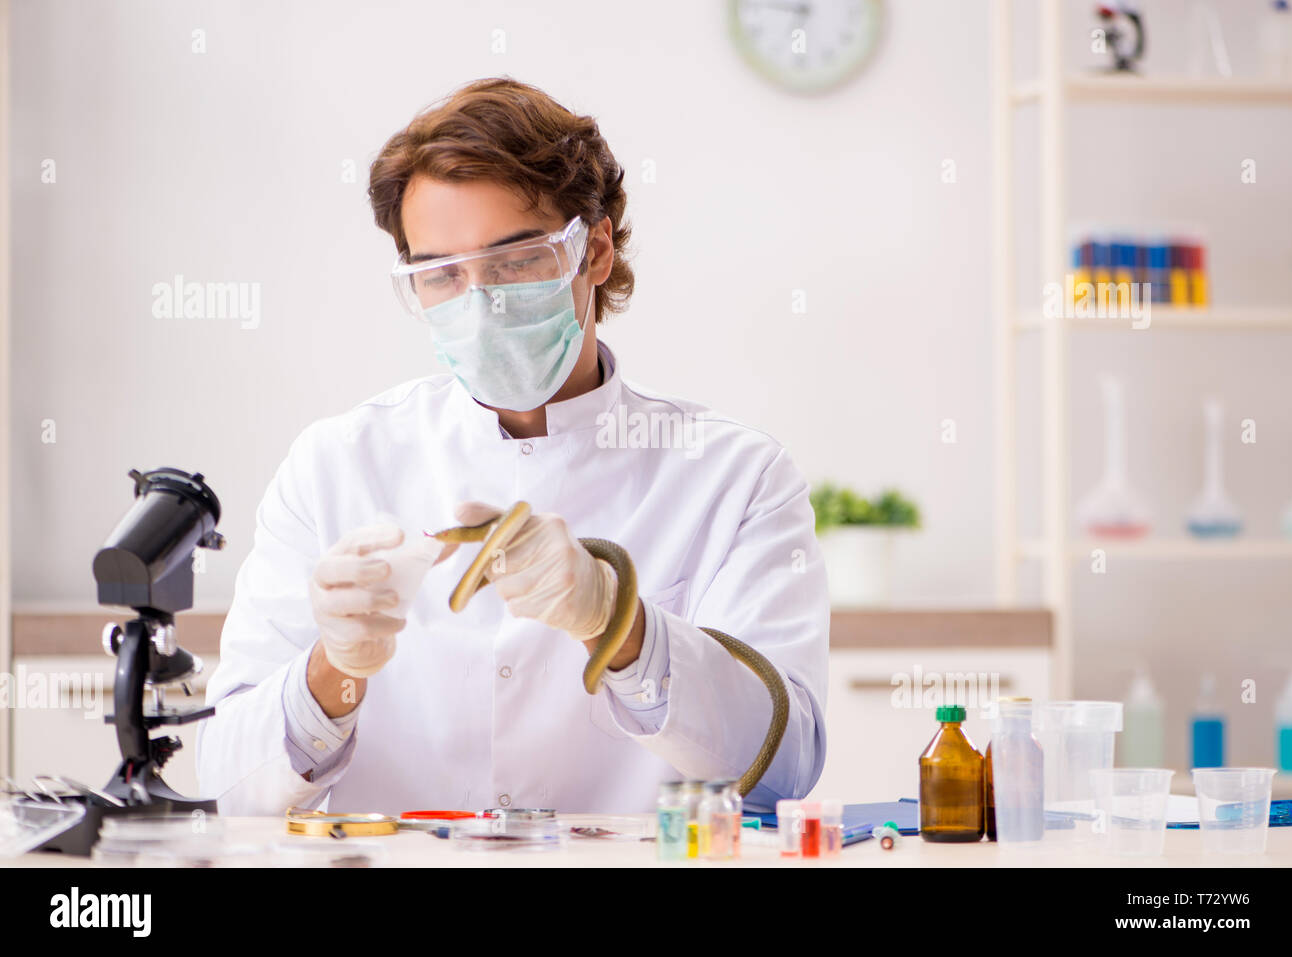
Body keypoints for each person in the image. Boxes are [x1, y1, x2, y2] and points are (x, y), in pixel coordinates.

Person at [195, 78, 829, 815]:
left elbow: (785, 763)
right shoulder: (336, 463)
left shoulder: (736, 476)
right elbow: (227, 789)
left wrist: (619, 623)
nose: (478, 301)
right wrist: (330, 672)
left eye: (514, 260)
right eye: (441, 274)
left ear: (592, 251)